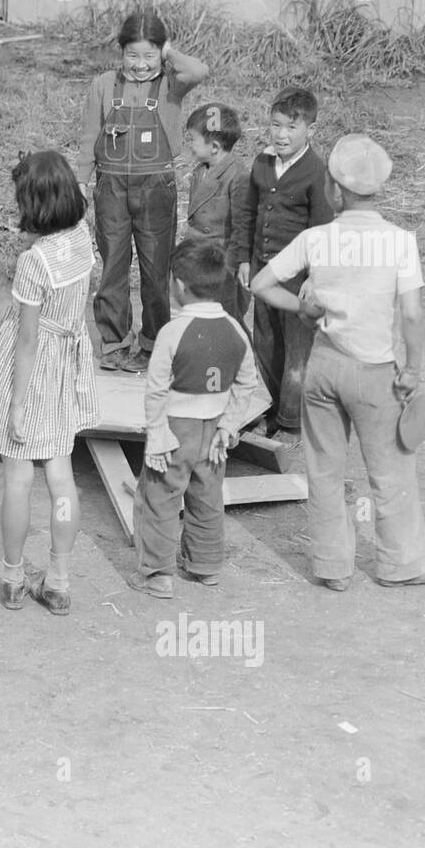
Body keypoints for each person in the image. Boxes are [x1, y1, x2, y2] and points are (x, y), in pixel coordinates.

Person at [250, 134, 425, 591]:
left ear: (333, 190)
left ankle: (332, 567)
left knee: (324, 468)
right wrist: (413, 370)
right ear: (379, 189)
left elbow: (261, 283)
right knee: (391, 470)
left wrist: (303, 308)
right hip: (375, 372)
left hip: (322, 367)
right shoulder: (401, 242)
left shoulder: (315, 238)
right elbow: (413, 315)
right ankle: (401, 566)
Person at [0, 151, 100, 616]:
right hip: (67, 362)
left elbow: (26, 341)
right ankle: (60, 580)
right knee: (62, 478)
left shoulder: (35, 261)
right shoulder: (84, 239)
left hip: (34, 369)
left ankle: (11, 577)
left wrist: (17, 405)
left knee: (18, 479)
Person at [77, 10, 208, 373]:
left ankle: (153, 344)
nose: (139, 64)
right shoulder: (103, 85)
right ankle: (115, 342)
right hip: (111, 187)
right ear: (120, 53)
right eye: (132, 55)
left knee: (155, 270)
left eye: (148, 55)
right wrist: (81, 181)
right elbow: (90, 137)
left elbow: (199, 71)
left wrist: (166, 52)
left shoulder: (171, 84)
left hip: (156, 188)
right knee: (113, 268)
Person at [129, 243, 258, 598]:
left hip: (175, 428)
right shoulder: (235, 330)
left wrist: (156, 437)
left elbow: (156, 390)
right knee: (207, 495)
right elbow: (248, 382)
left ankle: (157, 574)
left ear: (180, 285)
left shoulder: (173, 331)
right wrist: (229, 426)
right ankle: (205, 566)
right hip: (214, 428)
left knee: (160, 495)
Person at [231, 87, 334, 443]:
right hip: (263, 270)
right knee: (265, 342)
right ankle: (272, 411)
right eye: (276, 125)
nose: (281, 134)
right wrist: (244, 258)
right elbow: (246, 212)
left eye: (292, 127)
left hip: (297, 279)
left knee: (297, 352)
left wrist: (315, 277)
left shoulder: (317, 172)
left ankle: (292, 423)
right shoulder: (262, 163)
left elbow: (323, 230)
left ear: (310, 130)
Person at [180, 103, 250, 329]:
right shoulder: (201, 170)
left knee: (227, 320)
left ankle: (243, 360)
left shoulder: (237, 175)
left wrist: (234, 264)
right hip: (199, 258)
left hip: (220, 263)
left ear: (215, 146)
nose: (190, 146)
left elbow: (242, 224)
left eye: (193, 140)